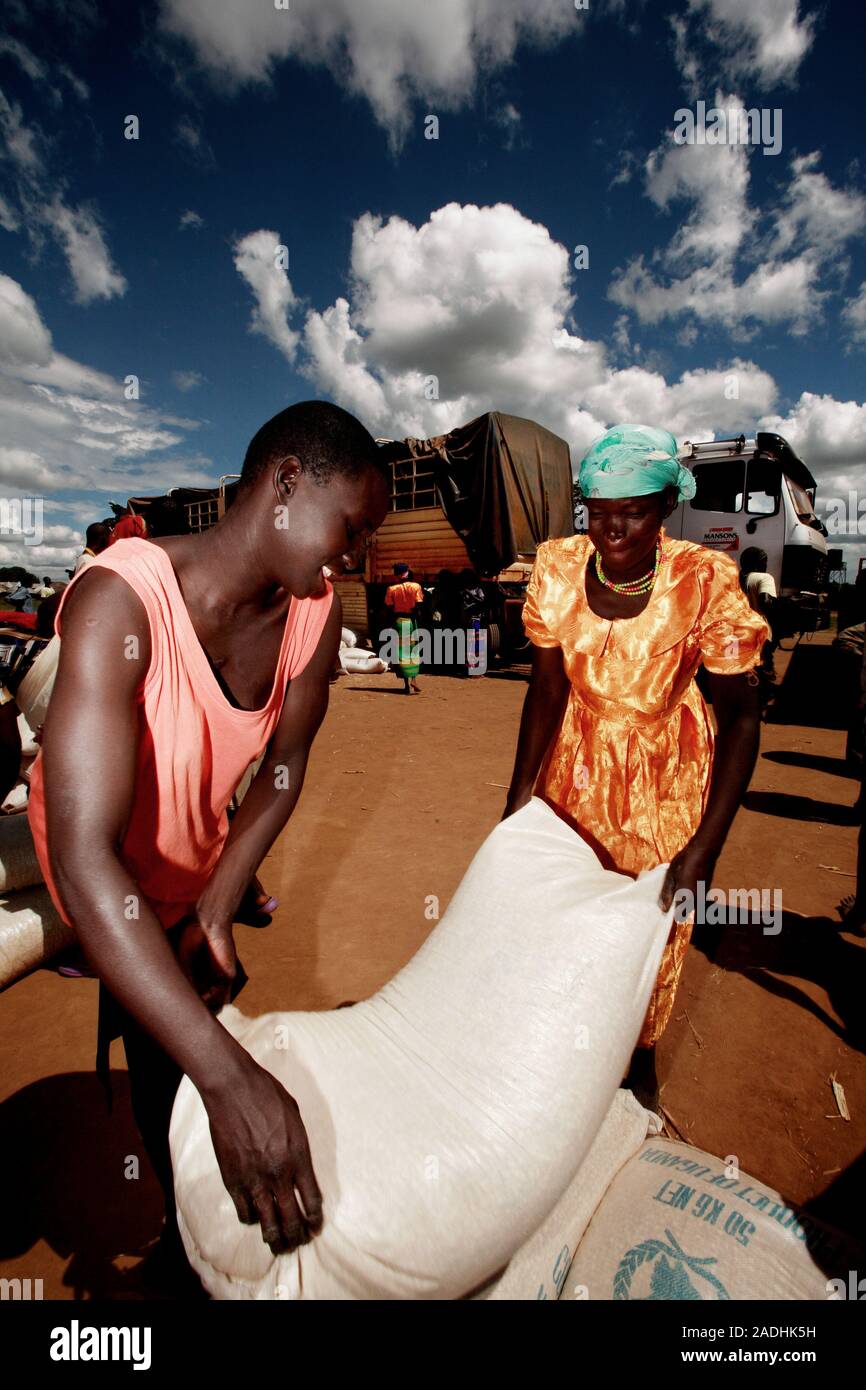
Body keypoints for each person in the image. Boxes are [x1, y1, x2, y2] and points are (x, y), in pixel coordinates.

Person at [27, 400, 389, 1286]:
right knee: (189, 1063)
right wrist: (231, 1080)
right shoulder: (126, 598)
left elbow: (284, 766)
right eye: (350, 529)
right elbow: (83, 855)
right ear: (286, 483)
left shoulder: (312, 615)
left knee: (182, 1037)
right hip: (101, 867)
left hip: (191, 865)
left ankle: (186, 1245)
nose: (353, 558)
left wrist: (221, 903)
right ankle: (185, 1254)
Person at [502, 424, 770, 1110]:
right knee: (568, 908)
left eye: (635, 511)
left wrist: (705, 844)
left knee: (657, 921)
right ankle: (572, 1040)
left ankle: (640, 1056)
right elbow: (547, 689)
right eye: (599, 510)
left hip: (665, 775)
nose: (612, 528)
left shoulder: (702, 580)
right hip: (575, 769)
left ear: (666, 508)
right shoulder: (559, 568)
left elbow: (743, 715)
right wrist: (517, 802)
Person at [384, 561, 424, 694]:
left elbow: (389, 608)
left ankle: (406, 685)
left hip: (399, 622)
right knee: (413, 651)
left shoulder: (391, 589)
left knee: (401, 653)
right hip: (411, 622)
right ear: (407, 572)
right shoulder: (415, 586)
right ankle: (414, 679)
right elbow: (419, 605)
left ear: (396, 575)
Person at [739, 546, 777, 682]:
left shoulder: (732, 577)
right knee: (762, 665)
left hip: (735, 629)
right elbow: (766, 602)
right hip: (757, 630)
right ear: (758, 562)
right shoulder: (764, 578)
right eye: (764, 561)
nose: (766, 565)